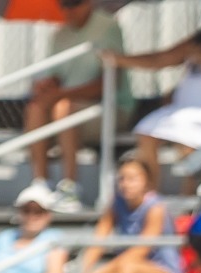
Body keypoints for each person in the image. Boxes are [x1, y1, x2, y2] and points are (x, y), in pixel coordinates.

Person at [108, 2, 201, 183]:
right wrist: (120, 60)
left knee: (187, 143)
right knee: (146, 132)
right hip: (185, 108)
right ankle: (151, 194)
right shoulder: (199, 38)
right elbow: (160, 59)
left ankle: (191, 199)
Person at [24, 0, 133, 214]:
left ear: (88, 3)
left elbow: (109, 83)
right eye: (63, 3)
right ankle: (40, 183)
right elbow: (56, 76)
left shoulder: (107, 27)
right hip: (71, 112)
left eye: (73, 3)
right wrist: (47, 86)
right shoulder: (59, 35)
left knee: (63, 107)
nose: (67, 9)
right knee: (37, 107)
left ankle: (70, 186)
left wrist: (61, 94)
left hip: (111, 110)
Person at [81, 156, 181, 273]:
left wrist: (101, 272)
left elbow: (141, 250)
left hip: (162, 271)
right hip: (124, 268)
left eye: (132, 179)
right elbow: (98, 241)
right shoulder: (117, 203)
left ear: (147, 181)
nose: (126, 184)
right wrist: (81, 271)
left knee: (128, 268)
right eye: (122, 179)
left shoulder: (156, 207)